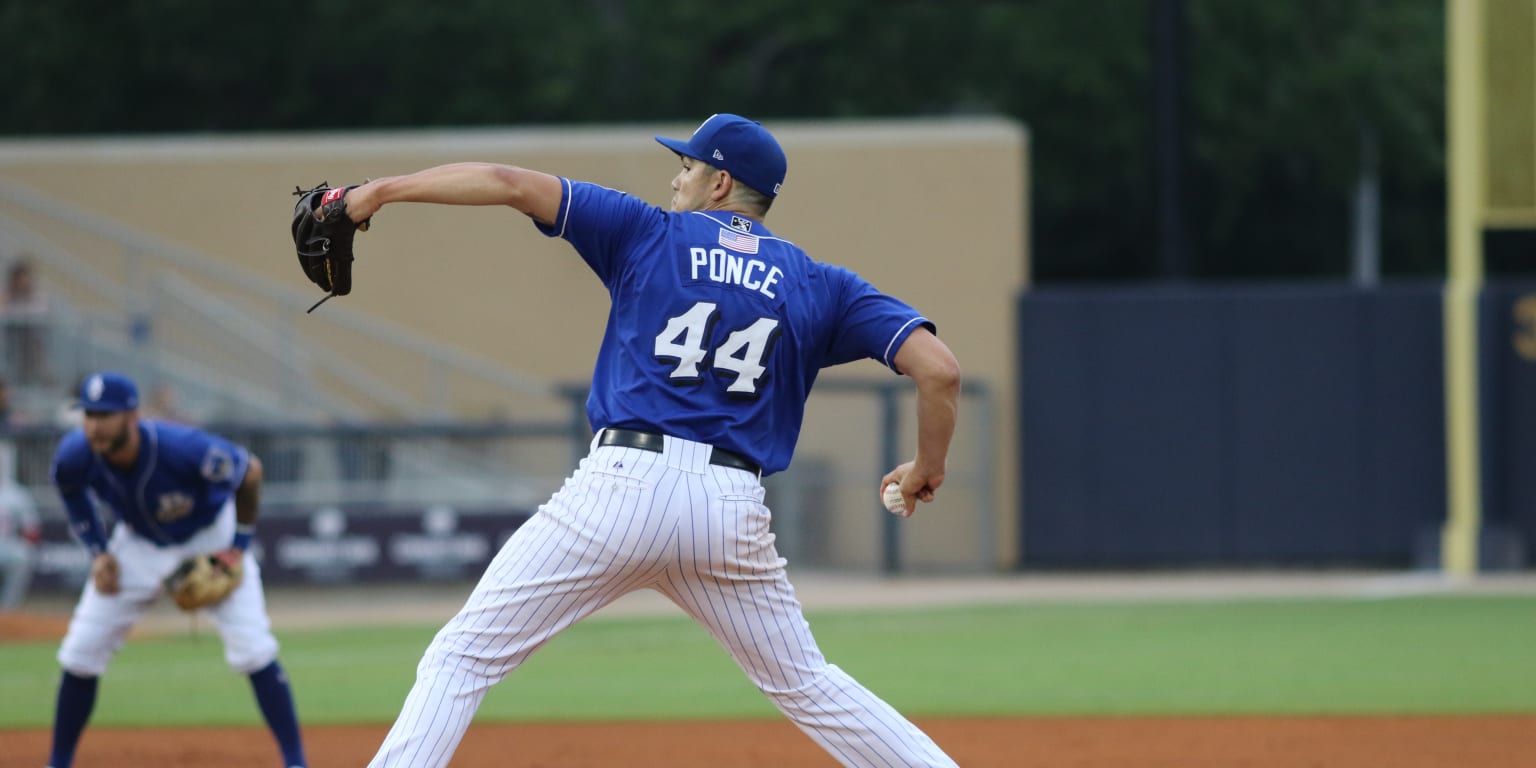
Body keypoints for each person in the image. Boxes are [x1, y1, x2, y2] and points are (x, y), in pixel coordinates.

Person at [330, 113, 963, 768]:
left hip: (621, 489)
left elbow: (506, 181)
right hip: (730, 508)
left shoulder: (645, 232)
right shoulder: (819, 284)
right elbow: (939, 370)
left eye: (687, 166)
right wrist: (926, 465)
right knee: (807, 684)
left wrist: (374, 194)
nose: (675, 177)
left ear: (720, 182)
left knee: (462, 658)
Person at [45, 372, 307, 768]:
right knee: (80, 652)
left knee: (254, 649)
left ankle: (296, 762)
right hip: (136, 545)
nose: (94, 425)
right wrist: (98, 552)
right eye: (88, 415)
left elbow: (249, 472)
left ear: (131, 416)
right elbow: (71, 491)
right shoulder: (75, 454)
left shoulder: (181, 447)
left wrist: (237, 549)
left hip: (209, 536)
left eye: (105, 415)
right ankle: (58, 762)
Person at [0, 439, 41, 610]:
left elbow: (32, 530)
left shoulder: (17, 494)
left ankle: (8, 612)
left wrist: (23, 542)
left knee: (23, 556)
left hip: (9, 546)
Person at [3, 256, 52, 386]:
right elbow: (6, 314)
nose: (22, 282)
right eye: (19, 279)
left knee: (30, 340)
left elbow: (39, 313)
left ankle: (40, 373)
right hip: (12, 339)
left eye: (25, 278)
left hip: (31, 339)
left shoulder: (36, 296)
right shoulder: (8, 296)